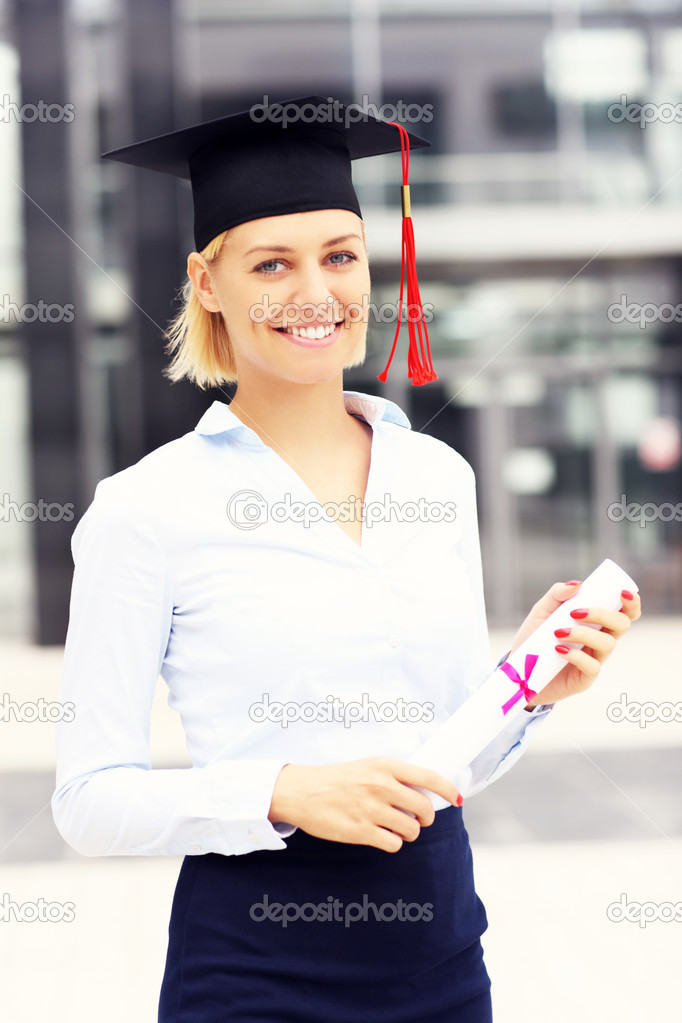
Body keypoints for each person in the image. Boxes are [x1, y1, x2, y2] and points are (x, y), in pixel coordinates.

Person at [51, 96, 641, 1022]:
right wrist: (284, 792)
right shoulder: (147, 510)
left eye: (339, 255)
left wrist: (527, 684)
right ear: (208, 282)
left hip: (443, 957)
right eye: (271, 263)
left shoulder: (437, 476)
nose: (314, 293)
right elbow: (87, 803)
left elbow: (448, 768)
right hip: (255, 968)